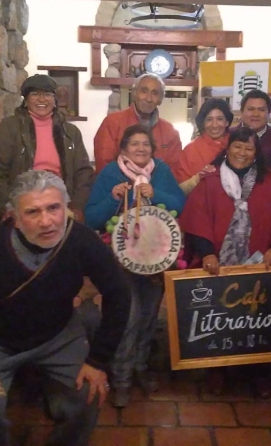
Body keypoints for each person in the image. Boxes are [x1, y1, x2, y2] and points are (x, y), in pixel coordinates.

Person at [0, 170, 132, 446]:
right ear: (13, 217)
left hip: (59, 335)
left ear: (66, 208)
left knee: (88, 396)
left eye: (54, 208)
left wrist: (98, 361)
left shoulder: (82, 240)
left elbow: (118, 292)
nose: (47, 221)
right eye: (32, 212)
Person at [179, 126, 271, 398]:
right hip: (217, 265)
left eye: (248, 148)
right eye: (237, 146)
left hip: (260, 264)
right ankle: (217, 370)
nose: (242, 153)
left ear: (256, 152)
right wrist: (207, 252)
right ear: (228, 147)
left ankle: (259, 373)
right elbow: (196, 218)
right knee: (219, 316)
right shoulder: (210, 181)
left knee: (257, 317)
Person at [84, 125, 185, 408]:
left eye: (146, 144)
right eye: (134, 144)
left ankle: (140, 367)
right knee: (127, 318)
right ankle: (121, 378)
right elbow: (92, 218)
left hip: (155, 260)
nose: (141, 149)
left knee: (149, 316)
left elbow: (180, 203)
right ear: (123, 148)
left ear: (152, 149)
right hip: (120, 262)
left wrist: (156, 193)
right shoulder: (110, 174)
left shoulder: (161, 171)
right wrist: (113, 198)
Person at [0, 74, 93, 221]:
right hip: (23, 204)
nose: (42, 99)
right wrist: (7, 207)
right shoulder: (9, 128)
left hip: (61, 203)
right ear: (26, 100)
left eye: (48, 94)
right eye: (35, 94)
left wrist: (77, 207)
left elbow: (83, 172)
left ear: (55, 100)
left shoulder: (70, 132)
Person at [93, 73, 181, 174]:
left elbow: (173, 172)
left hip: (158, 184)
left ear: (160, 100)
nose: (148, 98)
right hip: (118, 183)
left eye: (155, 93)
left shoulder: (170, 132)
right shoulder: (112, 122)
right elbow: (104, 165)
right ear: (134, 93)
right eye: (144, 91)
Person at [174, 98, 233, 194]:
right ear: (202, 123)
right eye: (209, 119)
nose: (214, 125)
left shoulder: (237, 144)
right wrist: (199, 177)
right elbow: (179, 190)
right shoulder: (191, 150)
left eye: (219, 119)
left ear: (227, 122)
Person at [236, 89, 271, 165]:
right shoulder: (229, 135)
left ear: (269, 113)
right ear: (241, 112)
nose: (256, 114)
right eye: (251, 109)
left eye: (261, 110)